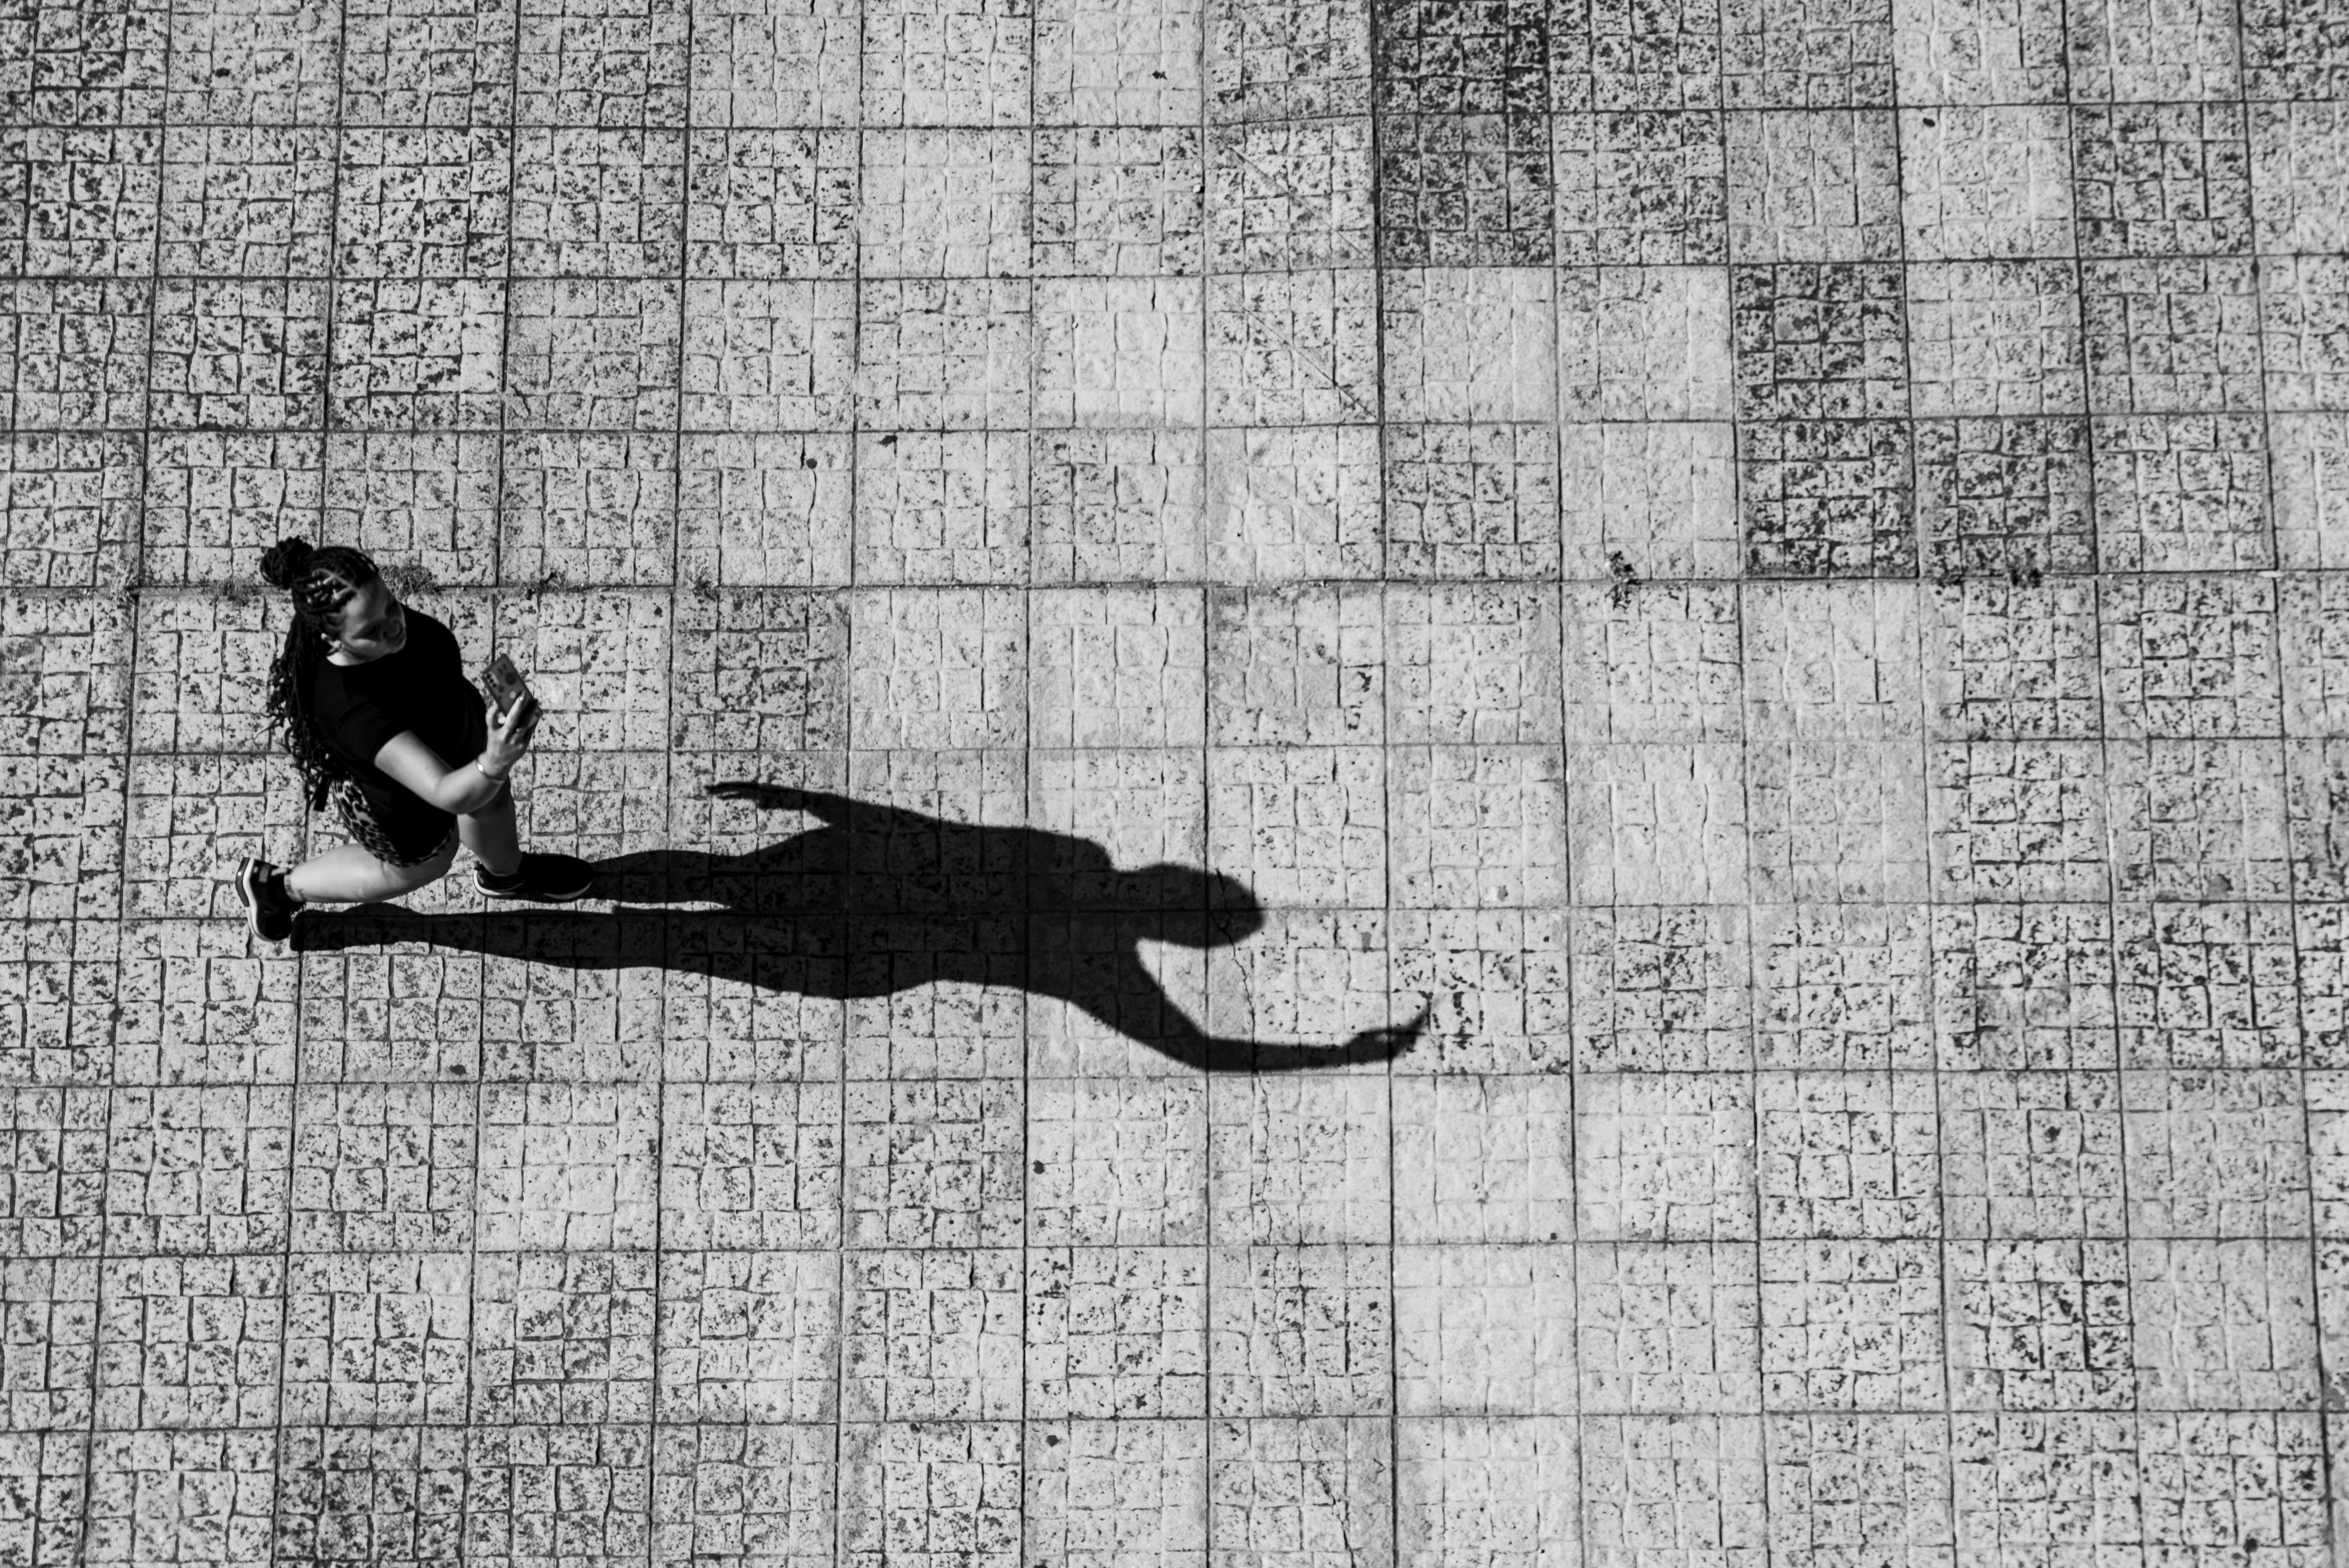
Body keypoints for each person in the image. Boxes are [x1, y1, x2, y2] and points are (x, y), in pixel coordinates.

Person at [233, 537, 593, 943]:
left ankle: (506, 876)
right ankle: (277, 887)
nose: (394, 626)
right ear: (332, 641)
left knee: (491, 800)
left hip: (457, 739)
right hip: (397, 806)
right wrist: (491, 763)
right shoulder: (353, 710)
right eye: (372, 630)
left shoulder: (384, 624)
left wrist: (487, 737)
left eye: (390, 604)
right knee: (427, 864)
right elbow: (444, 792)